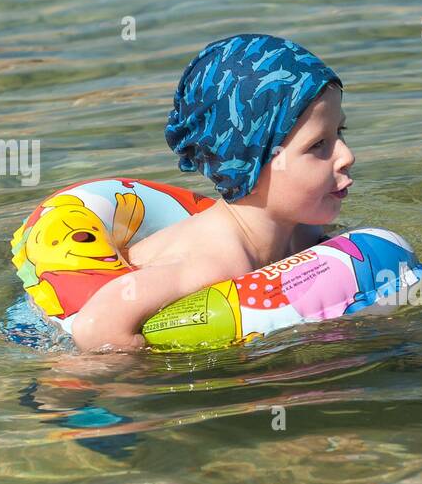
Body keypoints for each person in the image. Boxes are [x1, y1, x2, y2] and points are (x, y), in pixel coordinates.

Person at [72, 33, 354, 352]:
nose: (346, 155)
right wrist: (146, 379)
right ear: (249, 162)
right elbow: (93, 327)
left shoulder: (305, 233)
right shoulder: (216, 263)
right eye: (318, 145)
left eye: (339, 132)